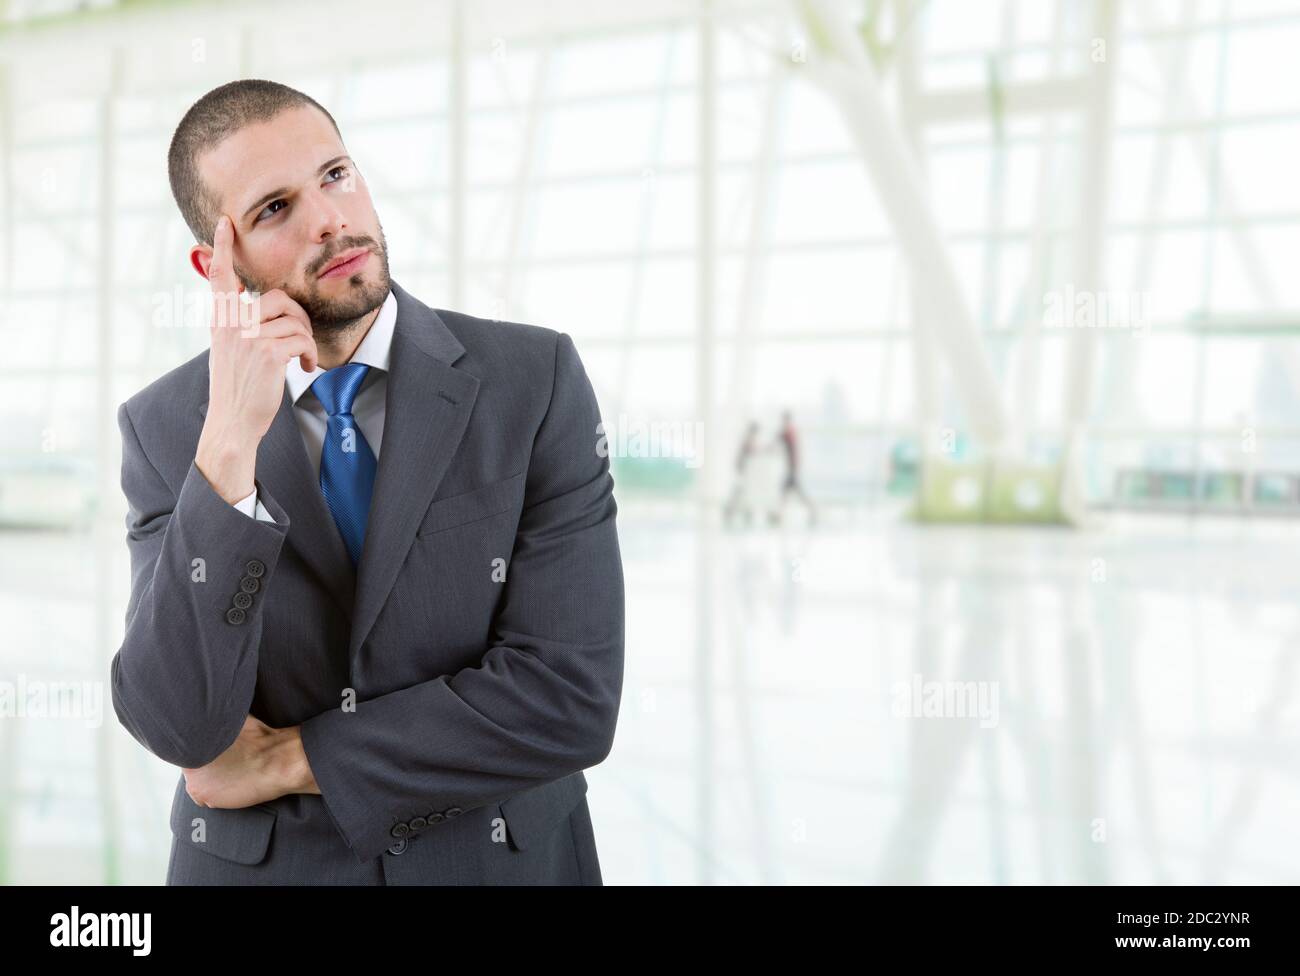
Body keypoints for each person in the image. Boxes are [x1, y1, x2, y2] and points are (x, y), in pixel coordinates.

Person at [112, 79, 624, 884]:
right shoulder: (168, 429)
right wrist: (227, 450)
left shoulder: (533, 380)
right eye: (274, 209)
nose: (329, 219)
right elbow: (182, 727)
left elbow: (570, 699)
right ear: (217, 263)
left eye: (335, 175)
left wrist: (289, 759)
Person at [773, 408, 817, 526]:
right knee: (789, 492)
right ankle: (779, 515)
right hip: (791, 468)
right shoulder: (790, 432)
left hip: (791, 469)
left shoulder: (789, 432)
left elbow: (779, 439)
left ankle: (780, 515)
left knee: (791, 492)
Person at [723, 420, 762, 527]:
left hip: (743, 470)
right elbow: (752, 450)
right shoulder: (748, 439)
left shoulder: (748, 439)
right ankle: (732, 511)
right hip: (742, 470)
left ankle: (744, 511)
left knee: (742, 491)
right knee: (739, 491)